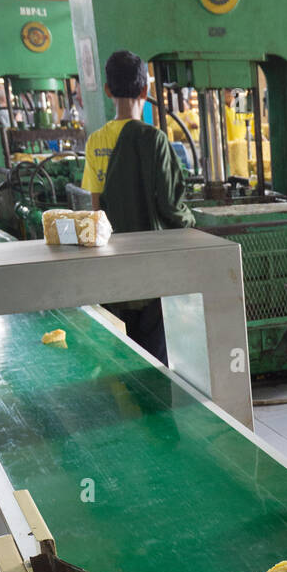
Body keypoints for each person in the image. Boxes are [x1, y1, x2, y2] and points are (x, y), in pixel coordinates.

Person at [82, 49, 194, 364]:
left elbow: (95, 212)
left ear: (107, 90)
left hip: (115, 267)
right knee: (157, 355)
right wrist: (191, 222)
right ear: (145, 91)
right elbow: (172, 207)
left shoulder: (95, 141)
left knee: (125, 353)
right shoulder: (154, 138)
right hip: (152, 266)